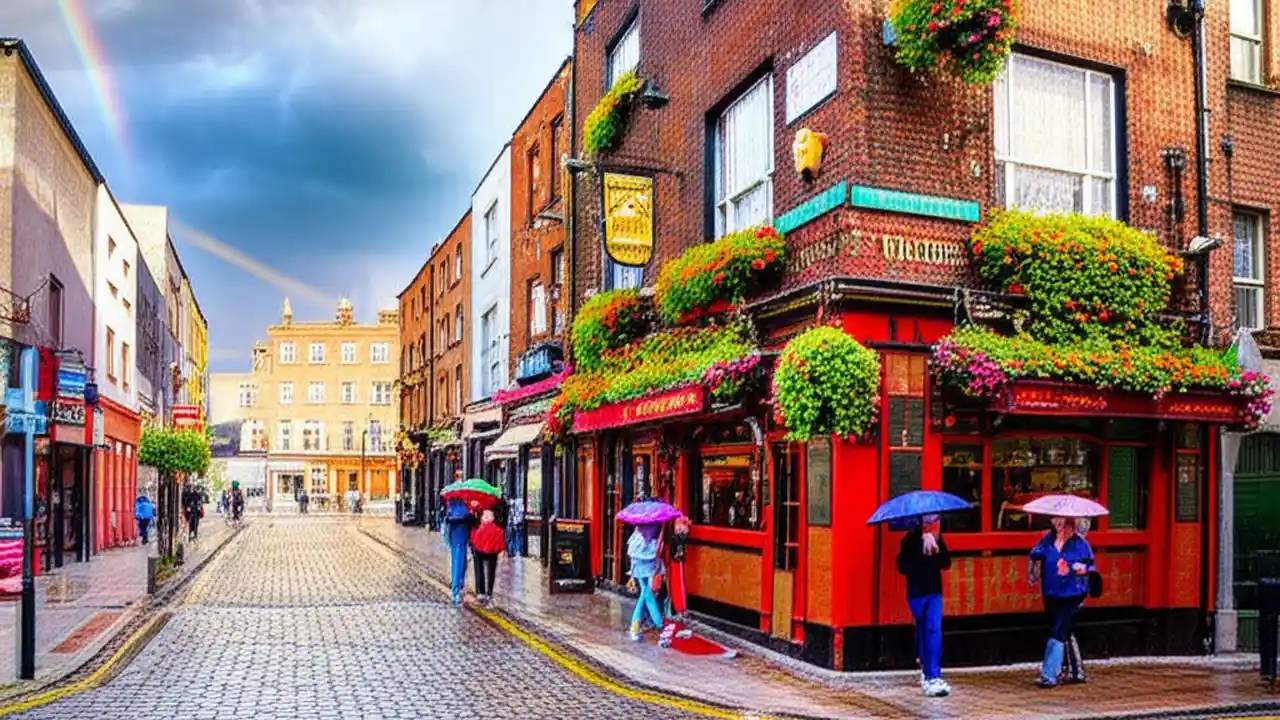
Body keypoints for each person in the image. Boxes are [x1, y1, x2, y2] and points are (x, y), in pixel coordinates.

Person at [1028, 516, 1094, 688]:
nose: (1058, 524)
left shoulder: (1079, 543)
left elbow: (1090, 566)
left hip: (1071, 594)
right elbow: (1035, 553)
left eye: (1062, 521)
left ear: (1070, 523)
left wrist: (1079, 568)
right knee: (1064, 631)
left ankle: (1049, 674)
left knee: (1057, 632)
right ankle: (1075, 671)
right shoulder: (1048, 540)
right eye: (1055, 520)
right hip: (1051, 592)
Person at [897, 514, 952, 697]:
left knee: (933, 630)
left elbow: (946, 562)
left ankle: (934, 675)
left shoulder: (938, 538)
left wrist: (935, 548)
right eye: (928, 521)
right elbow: (904, 567)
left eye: (935, 520)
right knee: (922, 629)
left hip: (934, 592)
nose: (932, 524)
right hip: (917, 593)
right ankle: (924, 666)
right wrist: (921, 550)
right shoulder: (909, 540)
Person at [626, 524, 665, 643]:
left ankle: (636, 624)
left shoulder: (639, 526)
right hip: (649, 558)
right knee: (646, 592)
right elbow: (658, 545)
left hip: (637, 560)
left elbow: (631, 548)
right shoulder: (657, 524)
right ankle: (659, 624)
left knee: (645, 591)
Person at [470, 508, 504, 606]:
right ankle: (489, 592)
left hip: (480, 543)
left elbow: (473, 528)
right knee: (491, 568)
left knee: (479, 566)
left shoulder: (477, 506)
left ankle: (480, 592)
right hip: (492, 544)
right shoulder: (495, 502)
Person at [444, 498, 475, 605]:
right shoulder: (460, 505)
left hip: (458, 539)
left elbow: (448, 522)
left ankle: (457, 587)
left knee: (459, 563)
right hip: (460, 539)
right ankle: (457, 588)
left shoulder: (452, 505)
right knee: (459, 563)